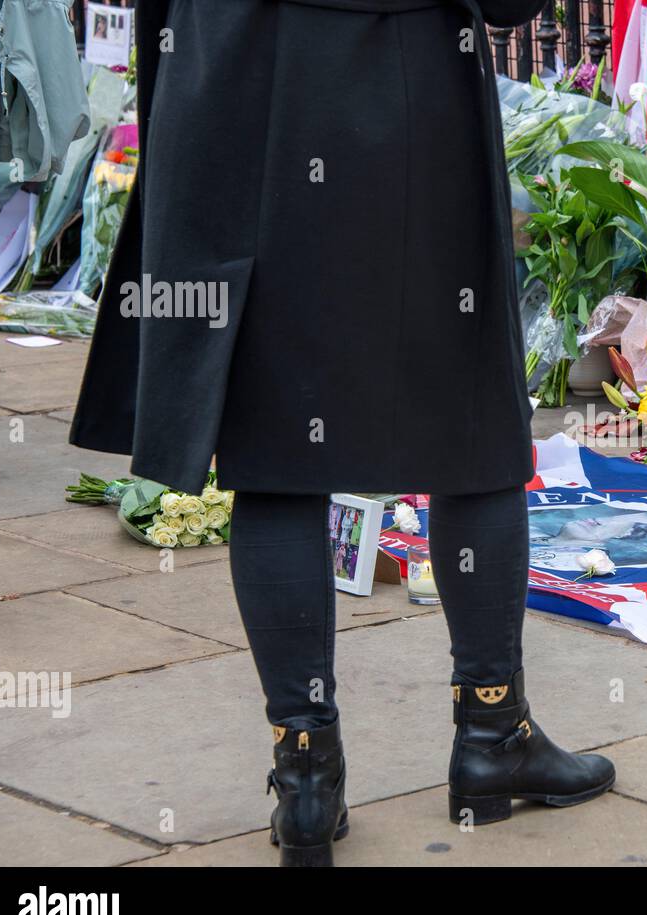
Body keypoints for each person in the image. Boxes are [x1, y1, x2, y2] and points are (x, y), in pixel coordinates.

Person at [68, 0, 614, 867]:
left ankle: (307, 777)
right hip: (401, 80)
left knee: (275, 453)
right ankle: (491, 733)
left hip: (229, 77)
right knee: (468, 426)